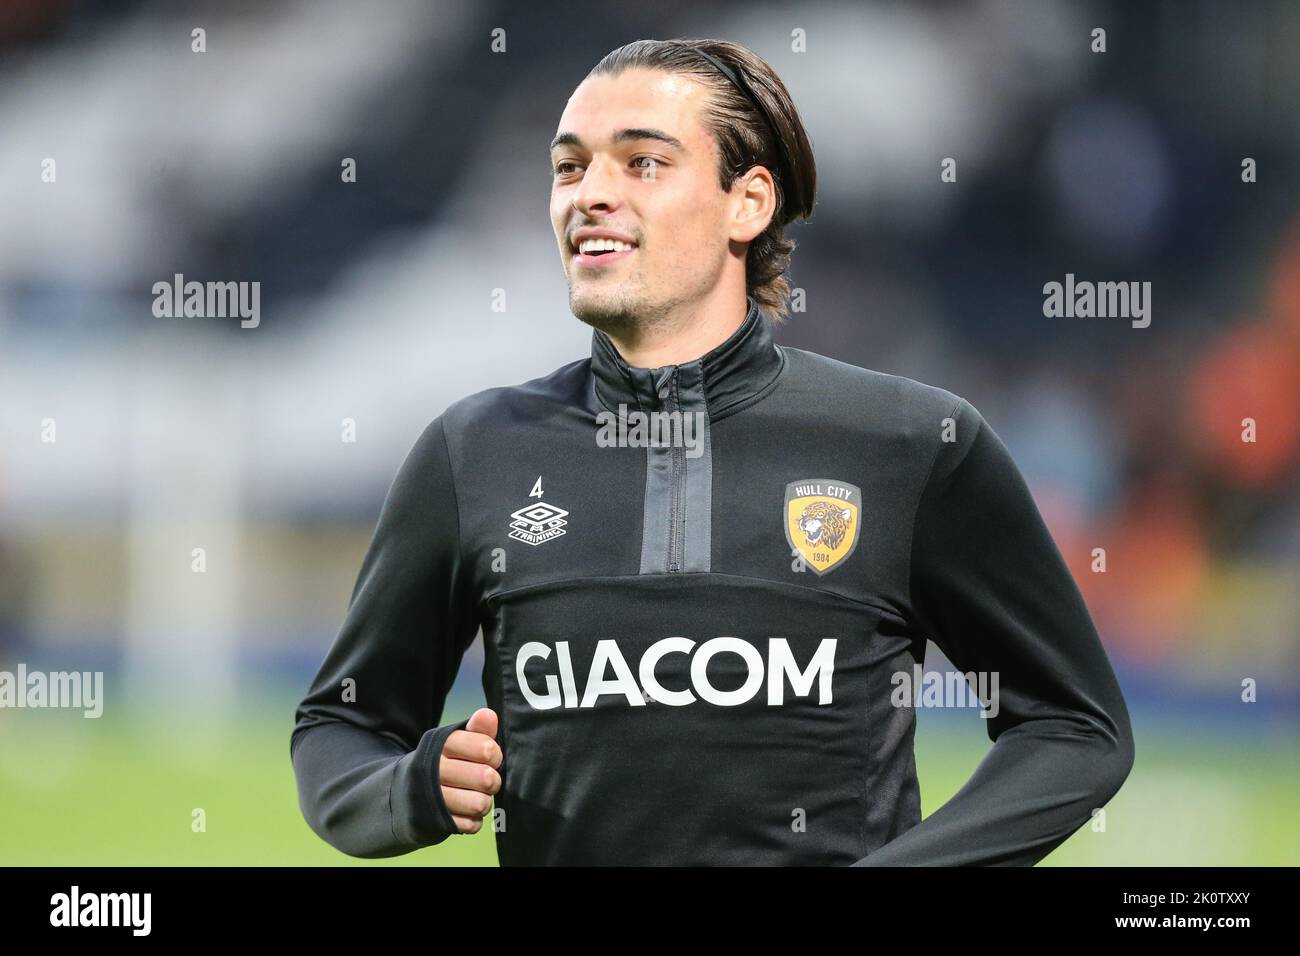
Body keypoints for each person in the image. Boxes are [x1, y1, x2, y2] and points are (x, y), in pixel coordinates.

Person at [290, 37, 1134, 865]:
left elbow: (1076, 728)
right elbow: (340, 724)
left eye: (643, 163)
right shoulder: (476, 451)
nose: (590, 195)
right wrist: (410, 789)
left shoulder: (910, 444)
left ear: (749, 202)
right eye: (569, 167)